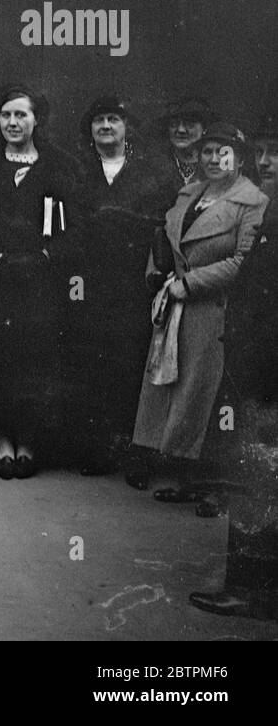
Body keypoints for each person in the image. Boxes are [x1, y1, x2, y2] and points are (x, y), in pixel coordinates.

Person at [131, 122, 269, 509]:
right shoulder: (190, 194)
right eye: (207, 151)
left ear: (239, 160)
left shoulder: (252, 201)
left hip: (213, 309)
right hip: (174, 304)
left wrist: (190, 284)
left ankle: (197, 479)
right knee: (169, 388)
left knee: (203, 393)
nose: (213, 159)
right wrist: (157, 274)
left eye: (223, 152)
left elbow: (243, 261)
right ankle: (167, 465)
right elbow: (165, 237)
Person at [0, 85, 82, 480]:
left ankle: (27, 443)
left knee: (32, 360)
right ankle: (2, 444)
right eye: (6, 115)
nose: (13, 122)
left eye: (21, 115)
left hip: (39, 280)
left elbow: (75, 228)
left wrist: (45, 258)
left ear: (36, 119)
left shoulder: (59, 167)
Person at [69, 96, 179, 476]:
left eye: (113, 119)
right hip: (90, 282)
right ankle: (97, 449)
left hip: (135, 283)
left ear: (126, 127)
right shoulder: (78, 172)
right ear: (90, 129)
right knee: (92, 363)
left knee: (133, 365)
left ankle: (137, 453)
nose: (106, 126)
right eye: (99, 120)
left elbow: (162, 225)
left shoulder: (150, 174)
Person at [196, 196, 278, 619]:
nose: (266, 164)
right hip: (260, 366)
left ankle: (249, 590)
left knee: (257, 479)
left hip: (266, 375)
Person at [160, 96, 216, 187]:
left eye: (189, 124)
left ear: (204, 128)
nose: (180, 130)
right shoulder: (155, 166)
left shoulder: (217, 163)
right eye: (174, 124)